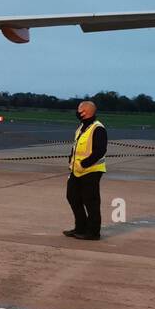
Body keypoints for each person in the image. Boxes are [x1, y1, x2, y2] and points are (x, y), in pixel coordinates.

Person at [65, 100, 107, 241]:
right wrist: (71, 159)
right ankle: (80, 227)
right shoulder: (82, 127)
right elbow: (76, 146)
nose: (77, 112)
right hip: (77, 170)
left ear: (86, 111)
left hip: (91, 170)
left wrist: (84, 164)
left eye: (79, 109)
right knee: (72, 197)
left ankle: (93, 232)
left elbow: (100, 151)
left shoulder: (98, 128)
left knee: (91, 201)